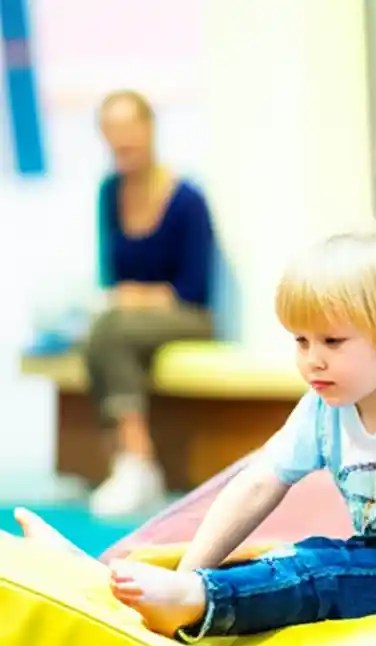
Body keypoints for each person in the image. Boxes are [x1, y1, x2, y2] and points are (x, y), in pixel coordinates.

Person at [12, 226, 376, 646]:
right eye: (301, 341)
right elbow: (257, 484)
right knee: (290, 559)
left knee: (319, 571)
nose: (311, 359)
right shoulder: (328, 404)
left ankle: (194, 602)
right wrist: (191, 569)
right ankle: (131, 587)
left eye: (332, 341)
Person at [87, 90, 217, 517]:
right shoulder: (109, 193)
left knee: (112, 330)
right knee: (103, 330)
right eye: (113, 132)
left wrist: (137, 298)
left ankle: (139, 461)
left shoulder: (187, 200)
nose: (122, 141)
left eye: (129, 130)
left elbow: (194, 289)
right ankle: (127, 460)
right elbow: (110, 274)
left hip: (188, 317)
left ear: (149, 130)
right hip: (129, 320)